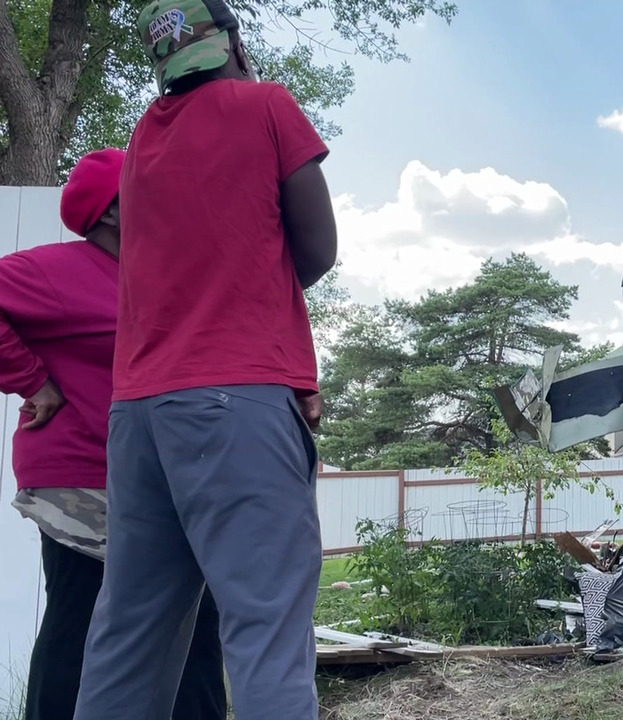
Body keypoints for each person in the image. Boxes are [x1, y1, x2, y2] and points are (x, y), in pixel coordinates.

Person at [73, 1, 338, 718]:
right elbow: (317, 250)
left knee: (130, 631)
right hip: (237, 399)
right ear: (232, 40)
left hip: (138, 414)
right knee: (265, 625)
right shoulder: (265, 106)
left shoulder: (142, 142)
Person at [0, 150, 227, 720]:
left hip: (165, 479)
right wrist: (33, 381)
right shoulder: (56, 271)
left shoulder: (165, 276)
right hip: (83, 474)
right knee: (84, 619)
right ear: (108, 213)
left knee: (198, 620)